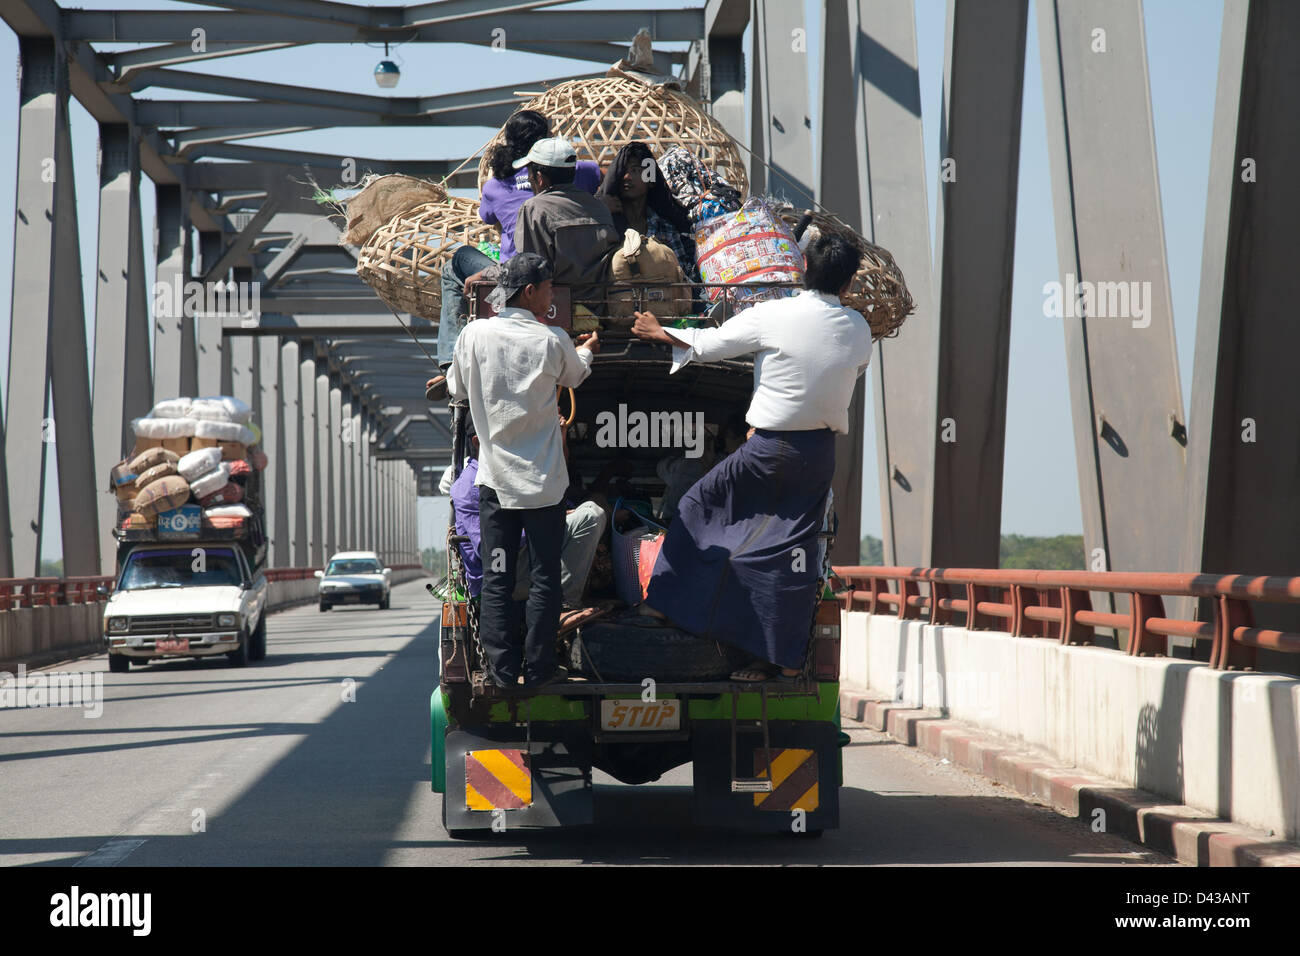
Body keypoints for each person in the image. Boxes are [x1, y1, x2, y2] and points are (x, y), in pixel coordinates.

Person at [629, 234, 871, 681]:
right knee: (787, 552)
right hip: (817, 456)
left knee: (696, 506)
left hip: (768, 451)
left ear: (802, 268)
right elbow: (841, 370)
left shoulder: (774, 314)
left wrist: (661, 332)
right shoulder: (859, 328)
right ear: (849, 280)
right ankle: (779, 661)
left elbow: (713, 344)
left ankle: (663, 604)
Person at [446, 253, 600, 689]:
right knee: (545, 579)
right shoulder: (552, 340)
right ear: (531, 292)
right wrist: (586, 351)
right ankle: (539, 670)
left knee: (497, 578)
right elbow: (576, 375)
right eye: (549, 287)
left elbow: (457, 387)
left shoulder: (474, 334)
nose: (552, 294)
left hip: (496, 485)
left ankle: (501, 671)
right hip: (544, 489)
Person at [429, 110, 602, 398]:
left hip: (519, 275)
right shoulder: (584, 174)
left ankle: (449, 362)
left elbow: (501, 232)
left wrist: (485, 273)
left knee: (456, 264)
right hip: (575, 276)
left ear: (539, 176)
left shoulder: (502, 189)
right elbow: (601, 177)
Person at [451, 418, 608, 607]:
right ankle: (563, 602)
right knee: (590, 517)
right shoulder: (469, 486)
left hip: (520, 564)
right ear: (478, 442)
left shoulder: (507, 472)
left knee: (593, 505)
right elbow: (489, 548)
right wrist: (543, 524)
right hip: (500, 577)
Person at [512, 137, 621, 311]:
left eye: (530, 174)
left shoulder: (534, 207)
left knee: (460, 262)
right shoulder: (599, 207)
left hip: (556, 309)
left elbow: (528, 267)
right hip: (599, 307)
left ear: (539, 178)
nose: (530, 179)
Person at [595, 142, 697, 283]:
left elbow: (682, 275)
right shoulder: (607, 224)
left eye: (635, 170)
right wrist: (598, 210)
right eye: (623, 172)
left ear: (650, 180)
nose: (627, 177)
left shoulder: (664, 229)